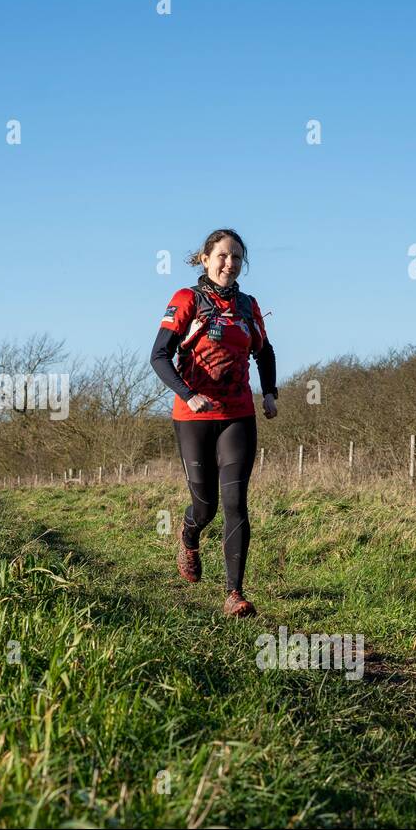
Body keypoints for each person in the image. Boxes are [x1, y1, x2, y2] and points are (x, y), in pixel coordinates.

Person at [150, 228, 278, 617]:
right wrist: (189, 394)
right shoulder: (187, 299)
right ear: (205, 259)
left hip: (238, 414)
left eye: (236, 257)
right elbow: (159, 355)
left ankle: (234, 594)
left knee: (236, 503)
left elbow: (264, 351)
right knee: (205, 507)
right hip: (193, 417)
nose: (230, 263)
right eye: (222, 256)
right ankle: (189, 535)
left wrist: (269, 391)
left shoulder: (248, 306)